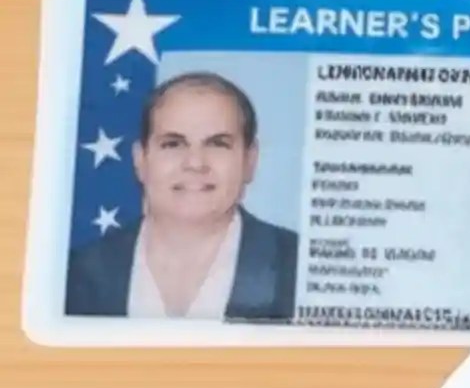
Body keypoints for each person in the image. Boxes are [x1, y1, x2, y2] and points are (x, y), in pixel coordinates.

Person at [65, 71, 297, 321]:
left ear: (250, 160)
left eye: (218, 143)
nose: (195, 163)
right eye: (173, 144)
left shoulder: (299, 266)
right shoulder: (76, 272)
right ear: (140, 160)